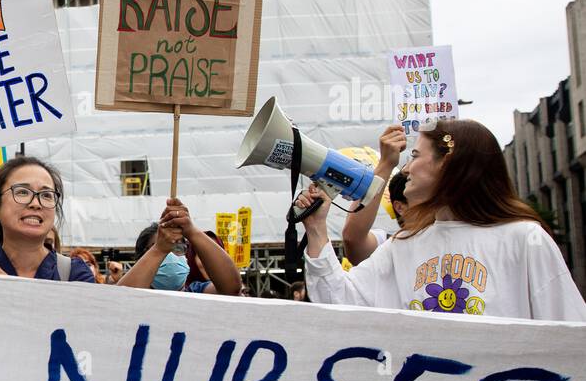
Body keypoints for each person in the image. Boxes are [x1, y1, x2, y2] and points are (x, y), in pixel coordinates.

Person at [300, 119, 586, 320]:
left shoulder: (525, 239)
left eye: (414, 156)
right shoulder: (402, 246)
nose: (407, 168)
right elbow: (340, 304)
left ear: (447, 164)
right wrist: (316, 230)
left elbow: (568, 337)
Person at [0, 156, 95, 282]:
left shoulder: (75, 274)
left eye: (46, 195)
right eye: (22, 192)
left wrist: (12, 291)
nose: (36, 204)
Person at [120, 199, 242, 295]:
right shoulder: (138, 297)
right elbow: (120, 299)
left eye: (178, 247)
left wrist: (191, 231)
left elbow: (231, 288)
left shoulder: (197, 293)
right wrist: (159, 249)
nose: (171, 255)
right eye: (163, 246)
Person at [342, 124, 409, 265]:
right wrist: (385, 164)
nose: (412, 166)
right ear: (400, 207)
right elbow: (353, 240)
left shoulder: (460, 233)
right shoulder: (389, 246)